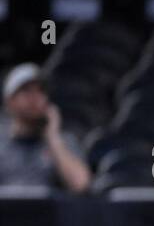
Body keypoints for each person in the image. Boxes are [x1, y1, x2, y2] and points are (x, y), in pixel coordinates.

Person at [0, 63, 90, 192]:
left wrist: (53, 138)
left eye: (40, 90)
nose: (35, 97)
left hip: (48, 212)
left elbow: (81, 184)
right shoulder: (1, 144)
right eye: (26, 90)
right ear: (9, 101)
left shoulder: (63, 142)